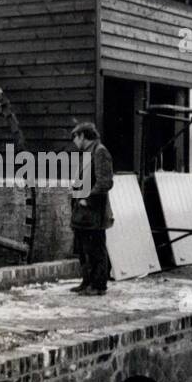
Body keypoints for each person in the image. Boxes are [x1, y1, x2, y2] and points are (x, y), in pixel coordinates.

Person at [69, 122, 114, 295]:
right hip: (82, 212)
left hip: (94, 211)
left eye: (75, 138)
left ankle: (98, 285)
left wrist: (87, 198)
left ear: (82, 136)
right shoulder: (87, 153)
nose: (74, 142)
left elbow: (105, 182)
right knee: (83, 248)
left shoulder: (100, 152)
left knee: (96, 248)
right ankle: (87, 282)